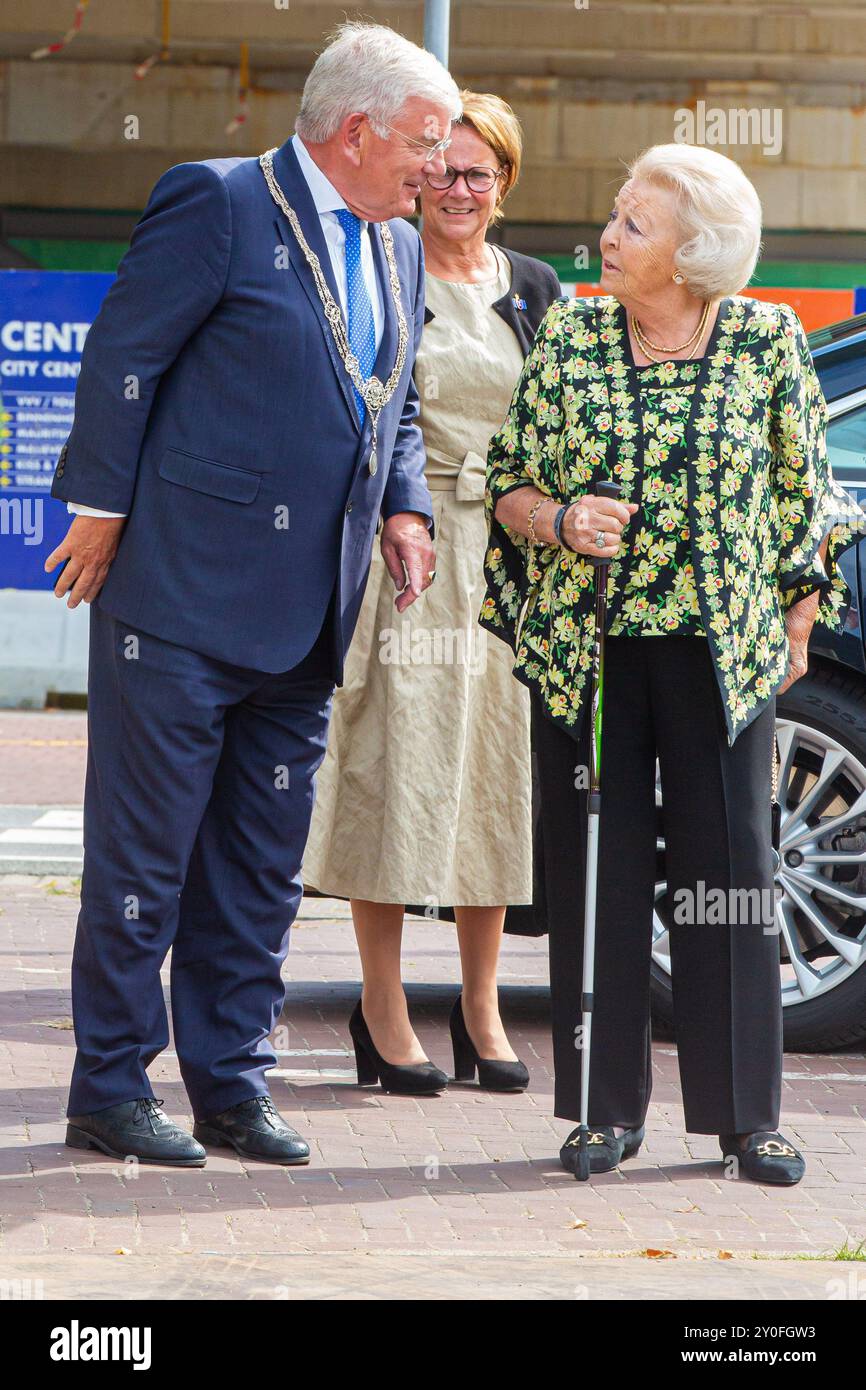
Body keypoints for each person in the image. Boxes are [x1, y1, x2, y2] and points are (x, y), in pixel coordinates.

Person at [45, 21, 461, 1167]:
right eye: (425, 142)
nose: (441, 165)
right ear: (357, 129)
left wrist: (404, 506)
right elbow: (124, 354)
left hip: (309, 612)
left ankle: (230, 1084)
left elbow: (396, 398)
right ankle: (110, 1087)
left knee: (260, 865)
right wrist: (98, 504)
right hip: (179, 601)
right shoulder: (221, 202)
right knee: (147, 859)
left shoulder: (399, 243)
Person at [481, 142, 865, 1184]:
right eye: (613, 215)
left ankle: (745, 1116)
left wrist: (794, 621)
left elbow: (805, 497)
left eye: (632, 223)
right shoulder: (570, 334)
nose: (606, 236)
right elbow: (505, 481)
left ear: (693, 254)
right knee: (595, 872)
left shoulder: (762, 340)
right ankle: (602, 1110)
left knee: (730, 878)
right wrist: (558, 518)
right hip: (592, 647)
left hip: (720, 649)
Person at [303, 93, 561, 1095]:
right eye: (440, 171)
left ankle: (481, 1005)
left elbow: (559, 425)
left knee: (492, 778)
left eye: (475, 173)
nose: (456, 190)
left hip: (510, 558)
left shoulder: (537, 287)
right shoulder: (380, 266)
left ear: (503, 182)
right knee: (395, 768)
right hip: (406, 549)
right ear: (415, 179)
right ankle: (380, 1006)